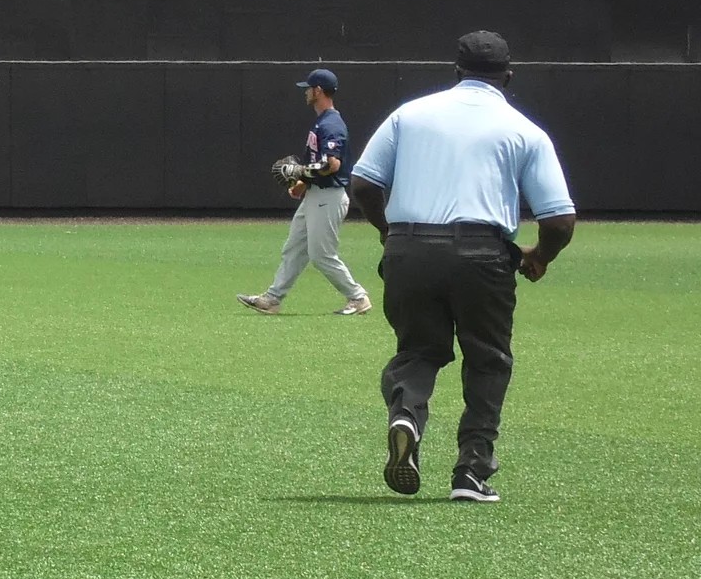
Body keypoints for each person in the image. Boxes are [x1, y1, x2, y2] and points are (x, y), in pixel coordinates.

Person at [348, 32, 577, 504]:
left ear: (456, 72)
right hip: (483, 254)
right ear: (508, 78)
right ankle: (471, 473)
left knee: (417, 351)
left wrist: (389, 234)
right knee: (487, 359)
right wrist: (540, 257)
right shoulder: (524, 130)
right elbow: (560, 218)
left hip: (410, 248)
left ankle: (407, 415)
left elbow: (364, 184)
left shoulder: (408, 115)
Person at [239, 67, 372, 317]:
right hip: (316, 194)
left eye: (309, 89)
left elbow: (332, 164)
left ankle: (358, 297)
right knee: (294, 248)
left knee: (321, 255)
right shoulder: (322, 122)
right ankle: (272, 299)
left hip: (329, 197)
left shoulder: (331, 123)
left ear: (318, 91)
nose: (306, 93)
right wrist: (302, 182)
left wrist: (300, 170)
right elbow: (319, 164)